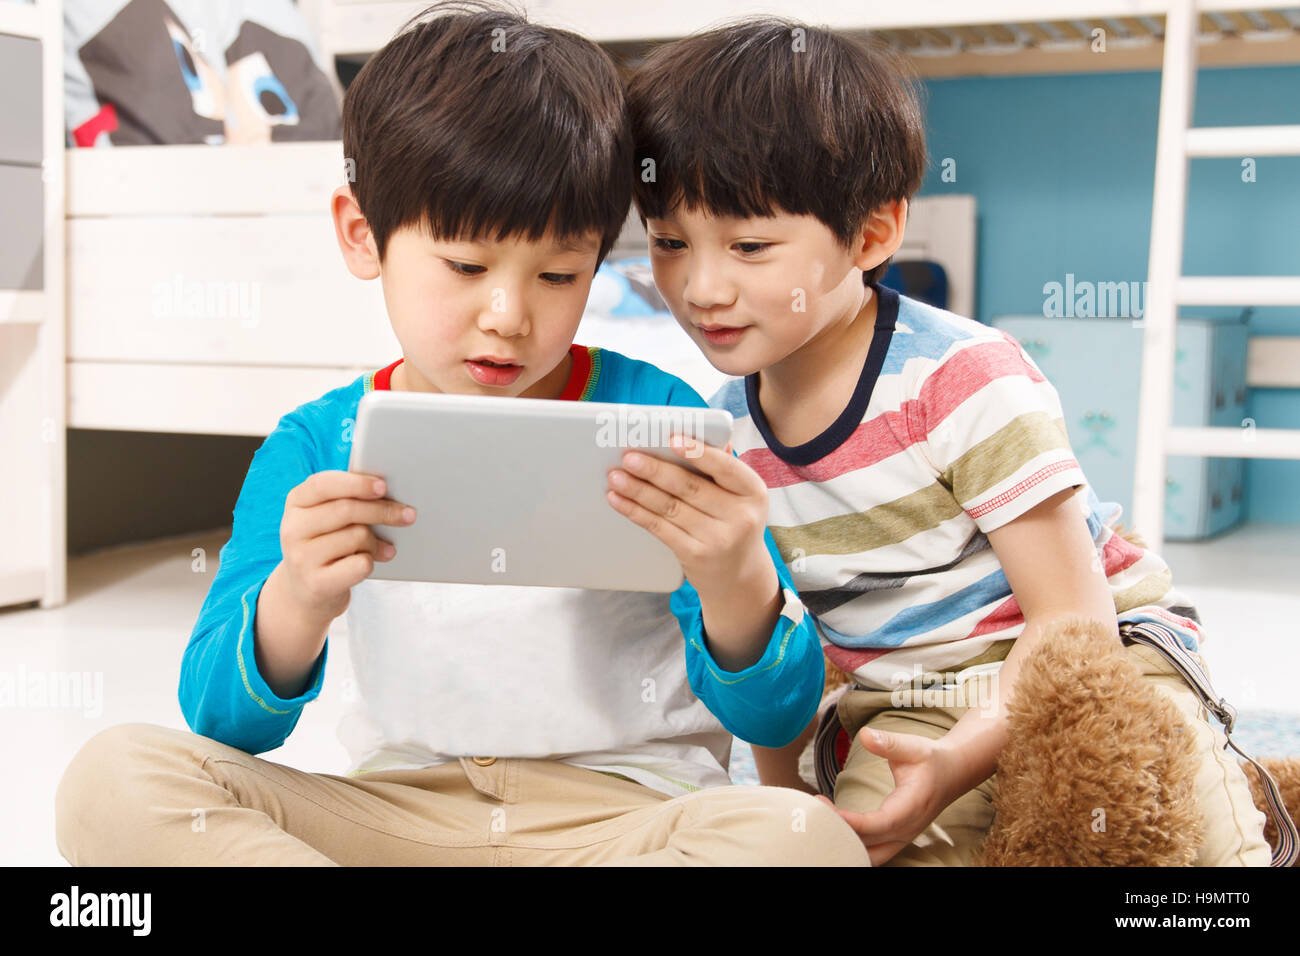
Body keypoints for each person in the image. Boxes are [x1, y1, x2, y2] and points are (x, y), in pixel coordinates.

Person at [53, 1, 868, 867]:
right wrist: (297, 600)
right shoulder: (318, 440)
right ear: (362, 235)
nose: (508, 316)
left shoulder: (654, 415)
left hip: (625, 821)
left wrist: (735, 581)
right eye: (467, 267)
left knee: (801, 842)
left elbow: (776, 716)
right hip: (396, 811)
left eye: (559, 274)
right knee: (113, 779)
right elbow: (221, 720)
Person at [624, 15, 1274, 866]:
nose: (701, 285)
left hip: (1091, 663)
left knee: (1179, 846)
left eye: (749, 246)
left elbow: (1069, 618)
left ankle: (1253, 801)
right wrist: (790, 814)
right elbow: (783, 658)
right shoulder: (721, 433)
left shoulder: (962, 378)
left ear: (872, 235)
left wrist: (971, 754)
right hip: (903, 707)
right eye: (670, 242)